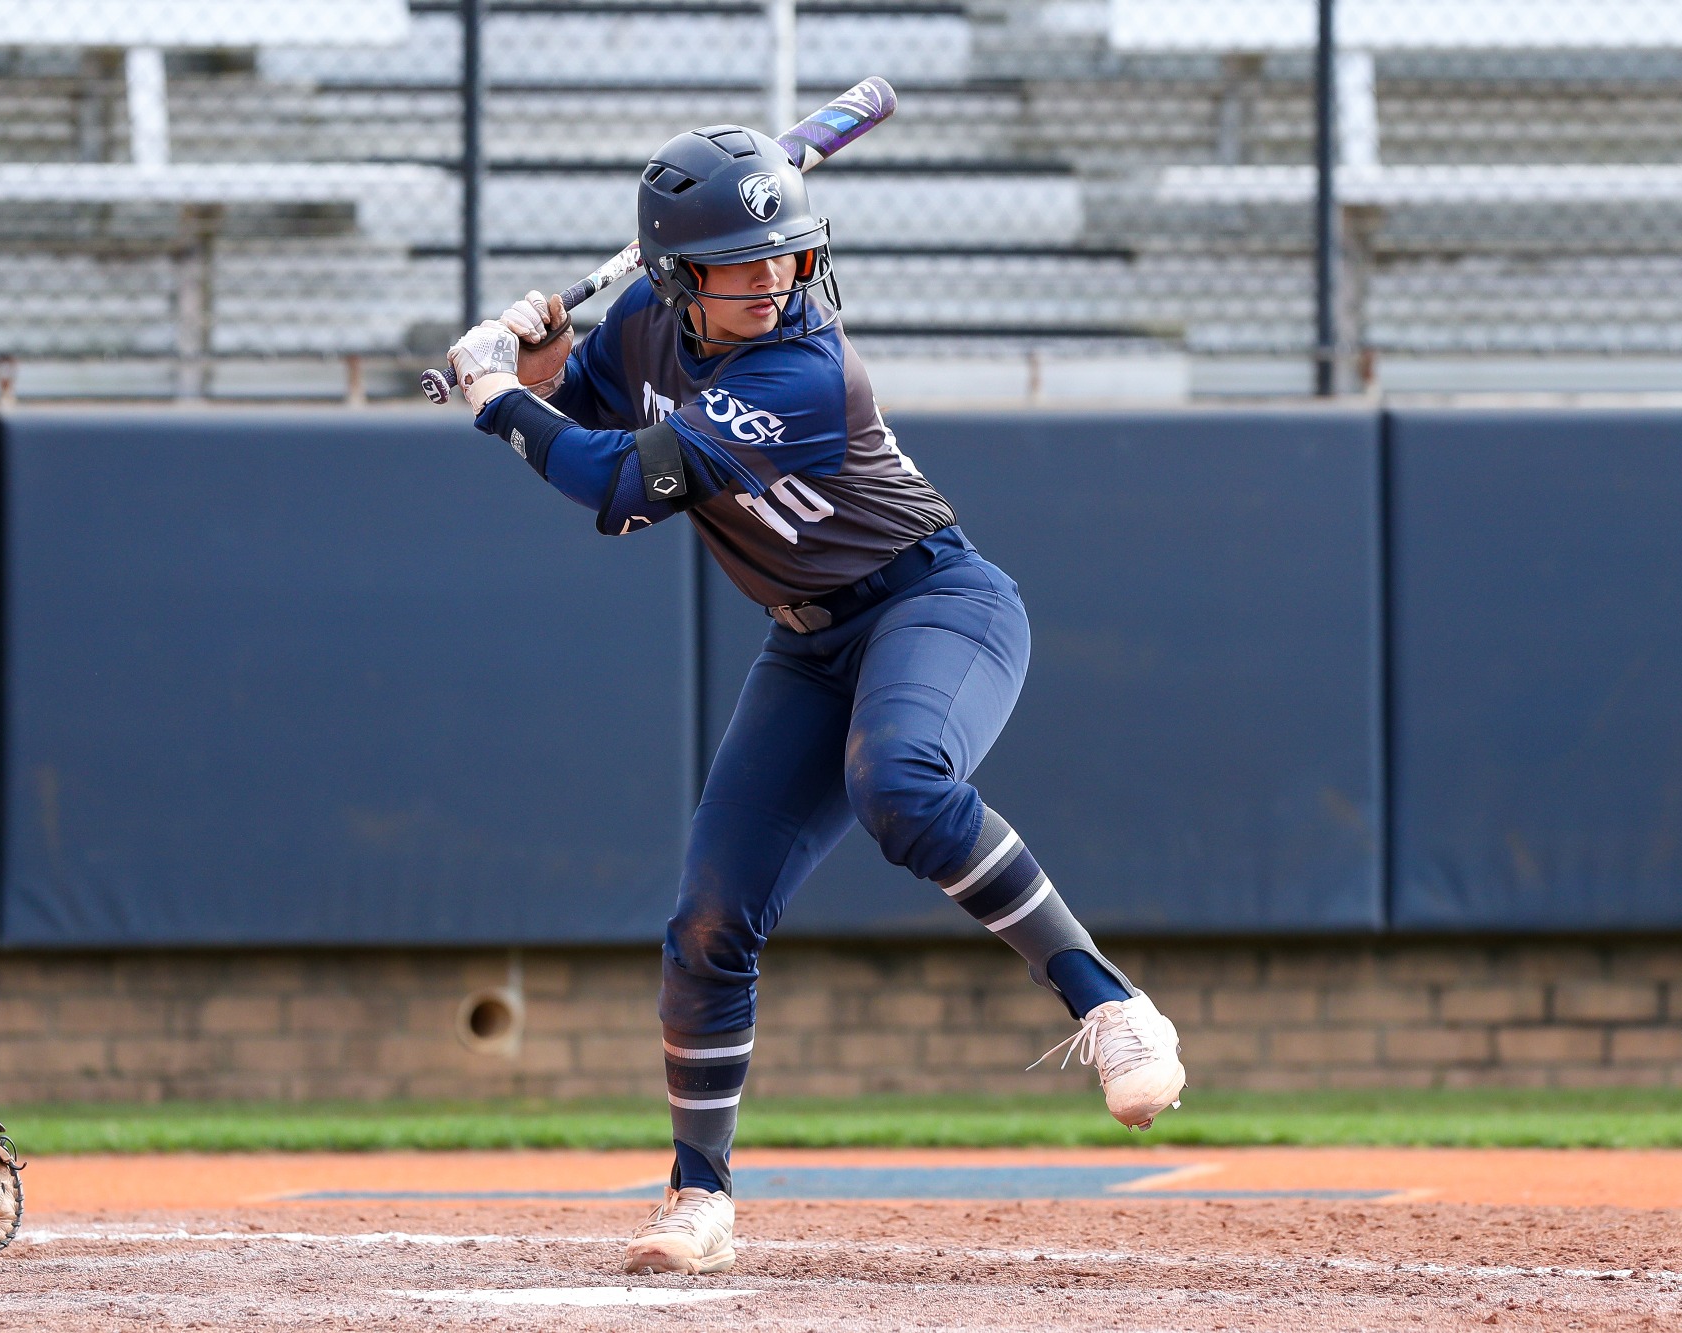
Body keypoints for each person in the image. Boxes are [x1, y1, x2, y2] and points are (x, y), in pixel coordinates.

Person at [446, 124, 1186, 1277]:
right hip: (805, 643)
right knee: (704, 921)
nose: (770, 277)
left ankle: (1108, 1003)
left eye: (782, 252)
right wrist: (540, 375)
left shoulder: (804, 366)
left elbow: (621, 487)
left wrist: (495, 393)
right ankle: (699, 1194)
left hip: (934, 603)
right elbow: (588, 422)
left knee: (897, 783)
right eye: (738, 260)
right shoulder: (643, 326)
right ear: (674, 277)